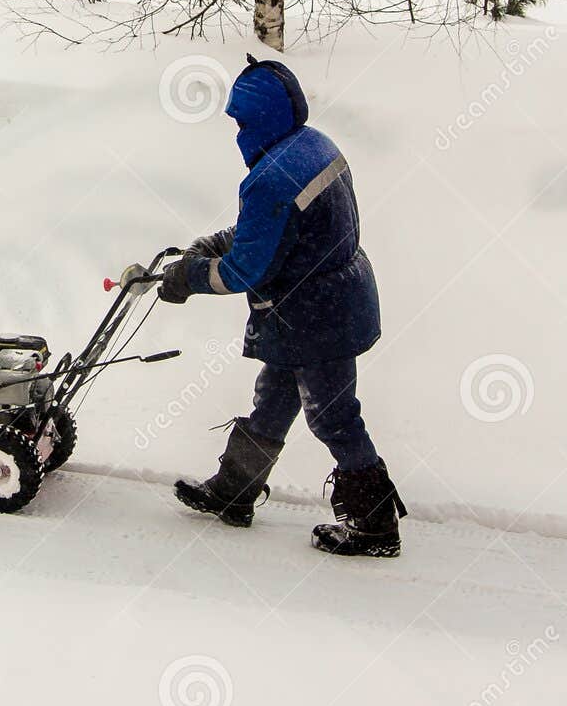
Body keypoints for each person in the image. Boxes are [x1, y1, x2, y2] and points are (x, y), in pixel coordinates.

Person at [157, 56, 407, 557]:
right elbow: (275, 234)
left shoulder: (271, 178)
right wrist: (216, 240)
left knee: (334, 417)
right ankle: (235, 492)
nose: (237, 133)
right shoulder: (314, 146)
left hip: (316, 315)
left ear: (263, 119)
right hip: (324, 302)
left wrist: (190, 278)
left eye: (241, 122)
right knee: (274, 398)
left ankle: (374, 522)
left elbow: (247, 269)